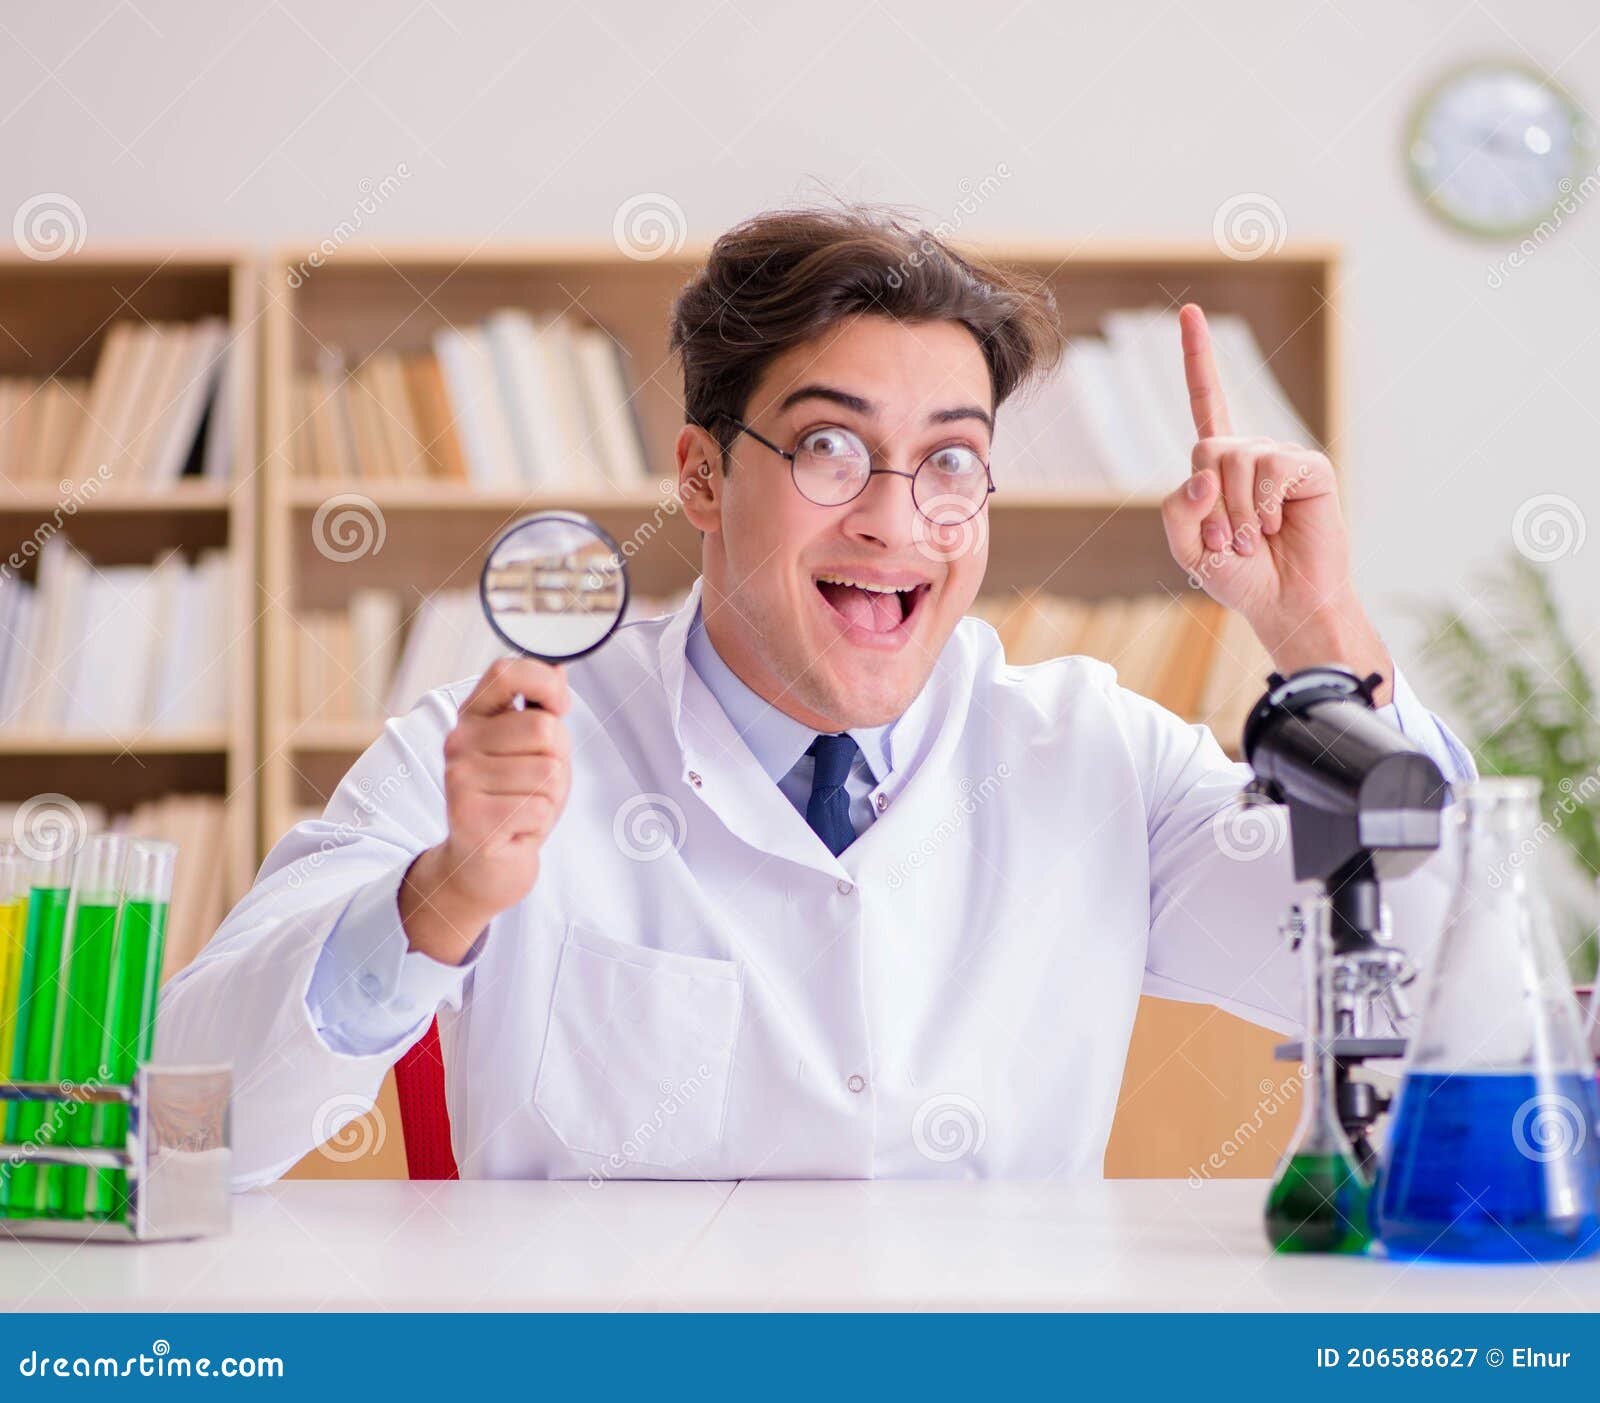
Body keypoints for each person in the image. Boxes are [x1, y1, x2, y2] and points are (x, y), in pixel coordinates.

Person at [159, 204, 1473, 1186]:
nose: (897, 517)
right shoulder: (491, 757)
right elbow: (188, 1120)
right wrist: (439, 903)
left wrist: (1323, 643)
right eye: (832, 446)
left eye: (951, 461)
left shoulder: (1092, 753)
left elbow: (1436, 969)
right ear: (703, 476)